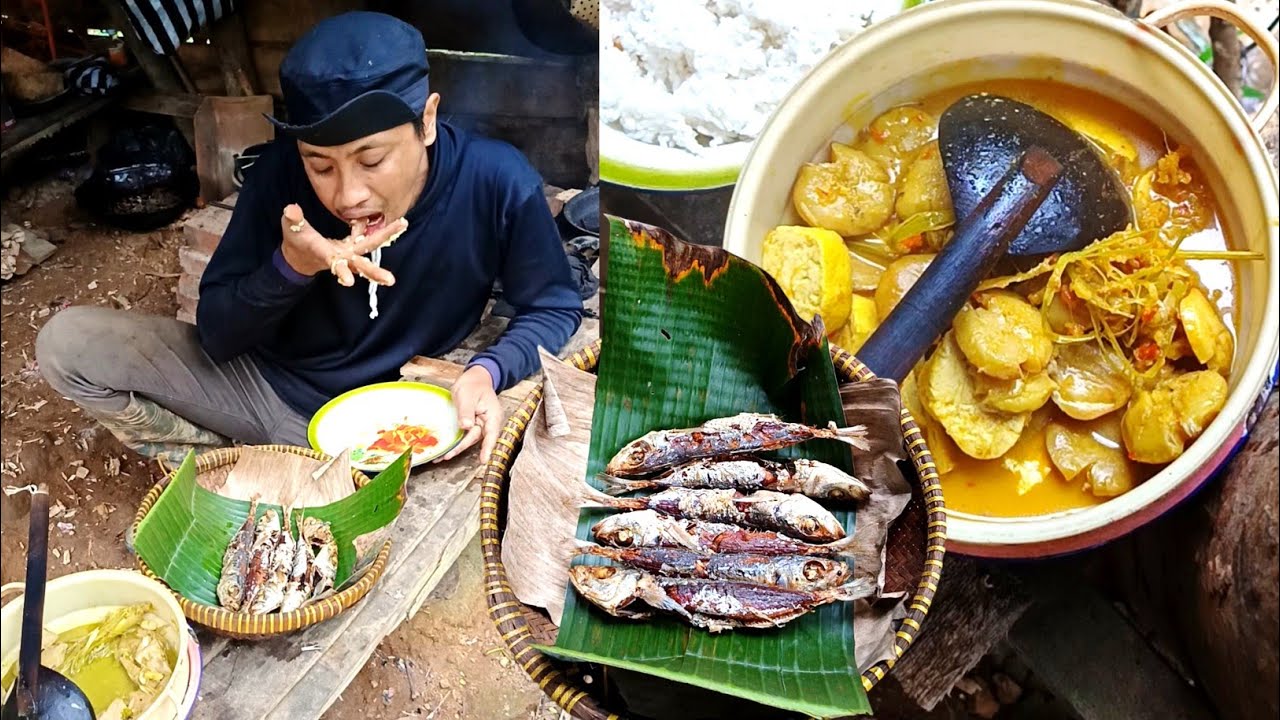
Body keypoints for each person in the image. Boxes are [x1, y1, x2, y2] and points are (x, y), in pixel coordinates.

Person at [35, 11, 585, 468]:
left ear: (428, 121)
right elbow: (218, 334)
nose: (348, 195)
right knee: (68, 343)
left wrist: (486, 372)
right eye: (320, 165)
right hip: (268, 391)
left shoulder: (493, 180)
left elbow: (553, 304)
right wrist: (289, 267)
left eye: (372, 160)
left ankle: (292, 471)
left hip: (404, 412)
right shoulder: (280, 177)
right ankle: (220, 457)